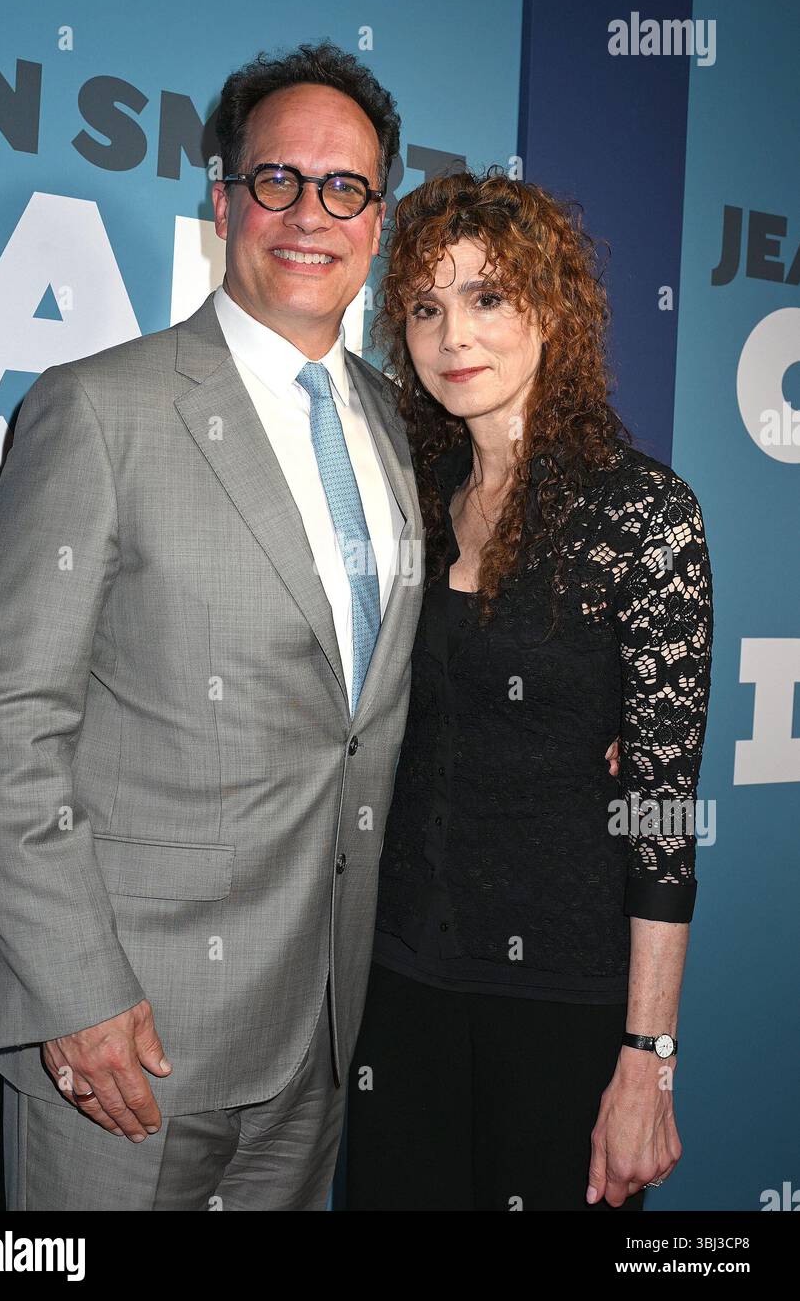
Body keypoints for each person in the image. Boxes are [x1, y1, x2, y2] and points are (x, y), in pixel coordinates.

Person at [0, 41, 424, 1211]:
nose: (310, 212)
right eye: (277, 180)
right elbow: (1, 714)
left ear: (376, 220)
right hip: (125, 1041)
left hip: (318, 1025)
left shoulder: (398, 424)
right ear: (222, 202)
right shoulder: (99, 407)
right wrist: (72, 991)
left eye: (345, 187)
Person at [344, 169, 714, 1211]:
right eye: (424, 305)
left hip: (564, 993)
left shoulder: (643, 517)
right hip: (399, 979)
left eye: (487, 295)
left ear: (550, 311)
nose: (451, 332)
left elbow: (659, 815)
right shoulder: (403, 497)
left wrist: (647, 1059)